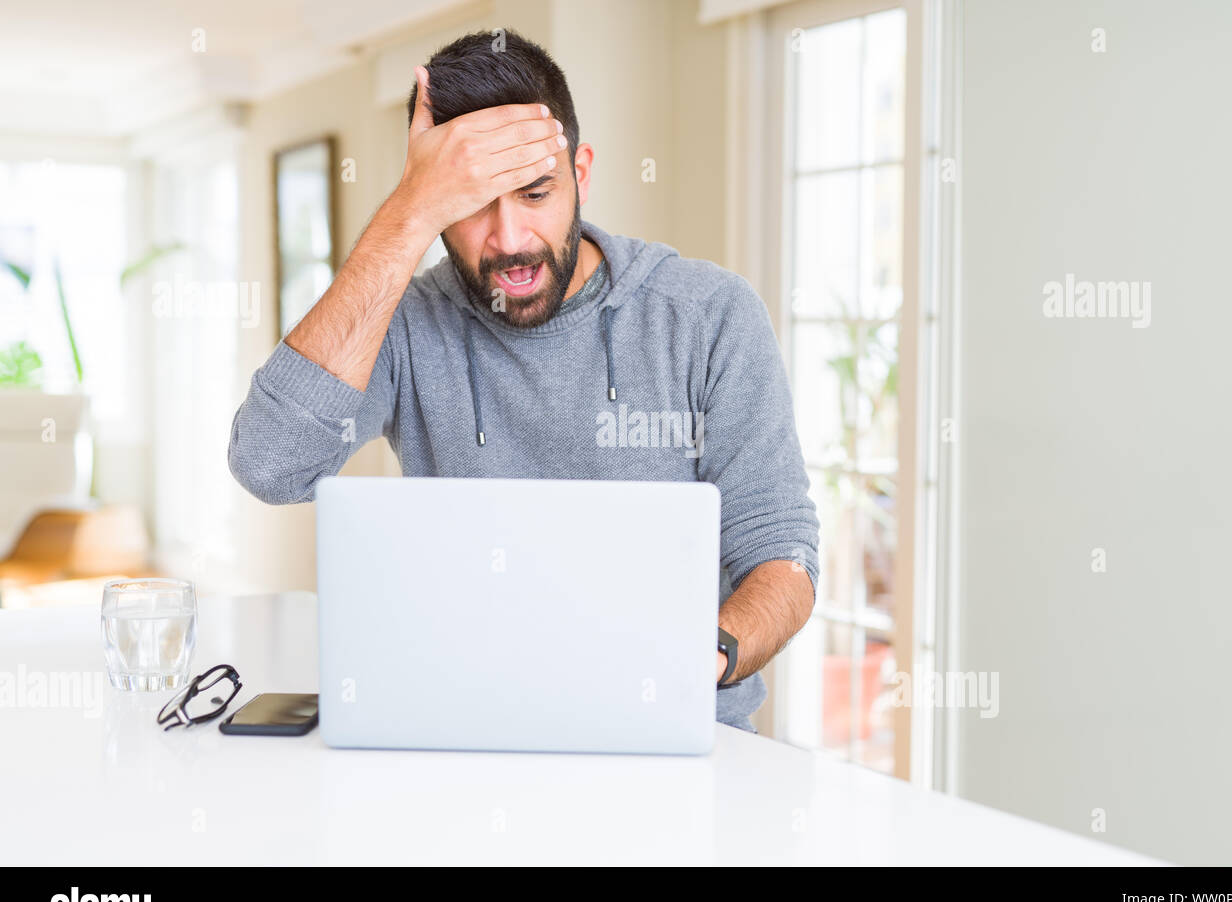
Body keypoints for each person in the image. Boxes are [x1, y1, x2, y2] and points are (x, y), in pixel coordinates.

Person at [228, 29, 819, 732]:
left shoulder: (707, 316)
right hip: (467, 728)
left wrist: (698, 659)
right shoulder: (408, 323)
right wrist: (407, 213)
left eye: (536, 192)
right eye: (472, 203)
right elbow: (269, 464)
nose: (509, 239)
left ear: (582, 174)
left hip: (673, 734)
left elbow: (784, 559)